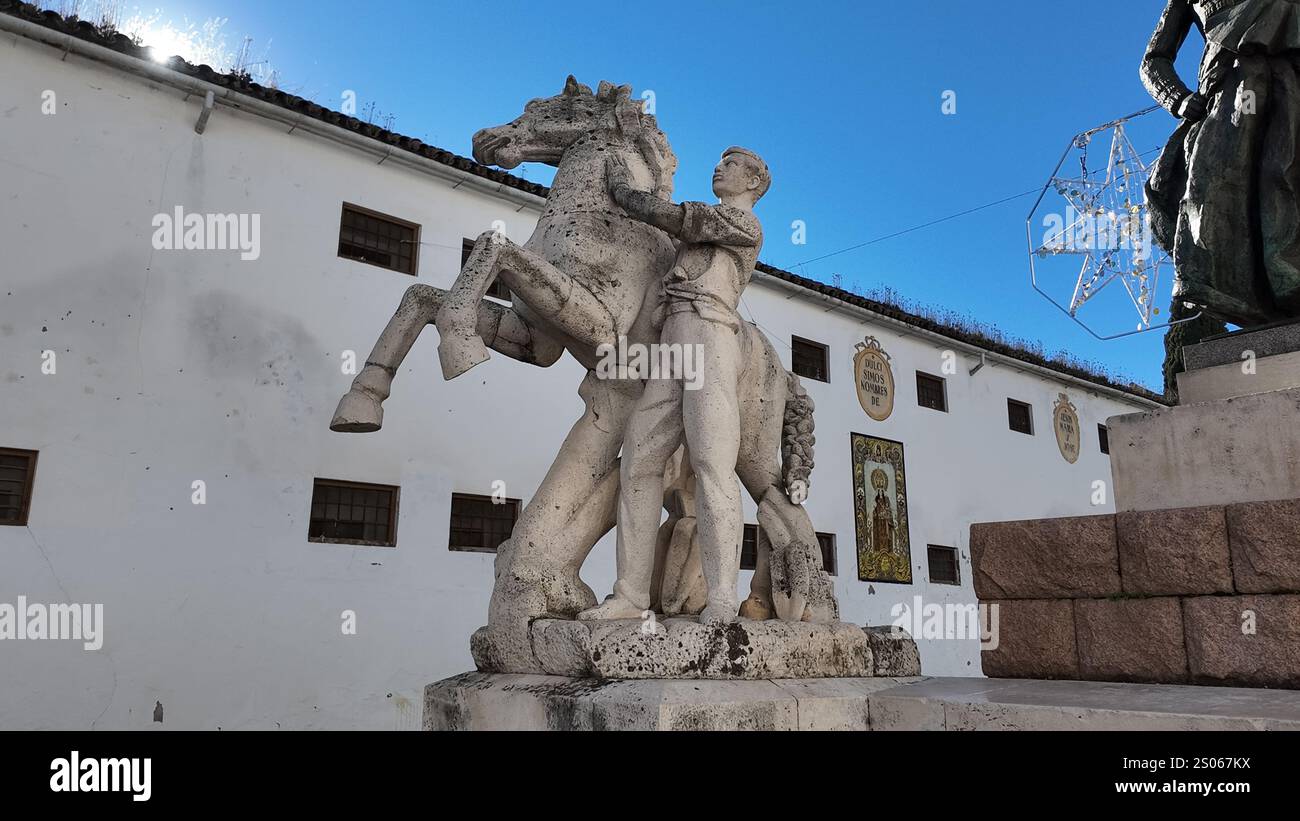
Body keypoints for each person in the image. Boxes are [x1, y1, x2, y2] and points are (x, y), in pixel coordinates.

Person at [579, 146, 770, 624]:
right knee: (640, 459)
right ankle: (630, 595)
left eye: (732, 164)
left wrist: (624, 192)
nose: (719, 166)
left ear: (754, 182)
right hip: (671, 341)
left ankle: (723, 594)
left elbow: (678, 217)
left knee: (712, 463)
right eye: (719, 160)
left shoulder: (744, 224)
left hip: (710, 335)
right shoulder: (707, 222)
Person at [1142, 0, 1300, 326]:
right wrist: (1178, 98)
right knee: (1217, 188)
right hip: (1230, 87)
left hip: (1293, 83)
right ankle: (1243, 292)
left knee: (1284, 177)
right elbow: (1153, 60)